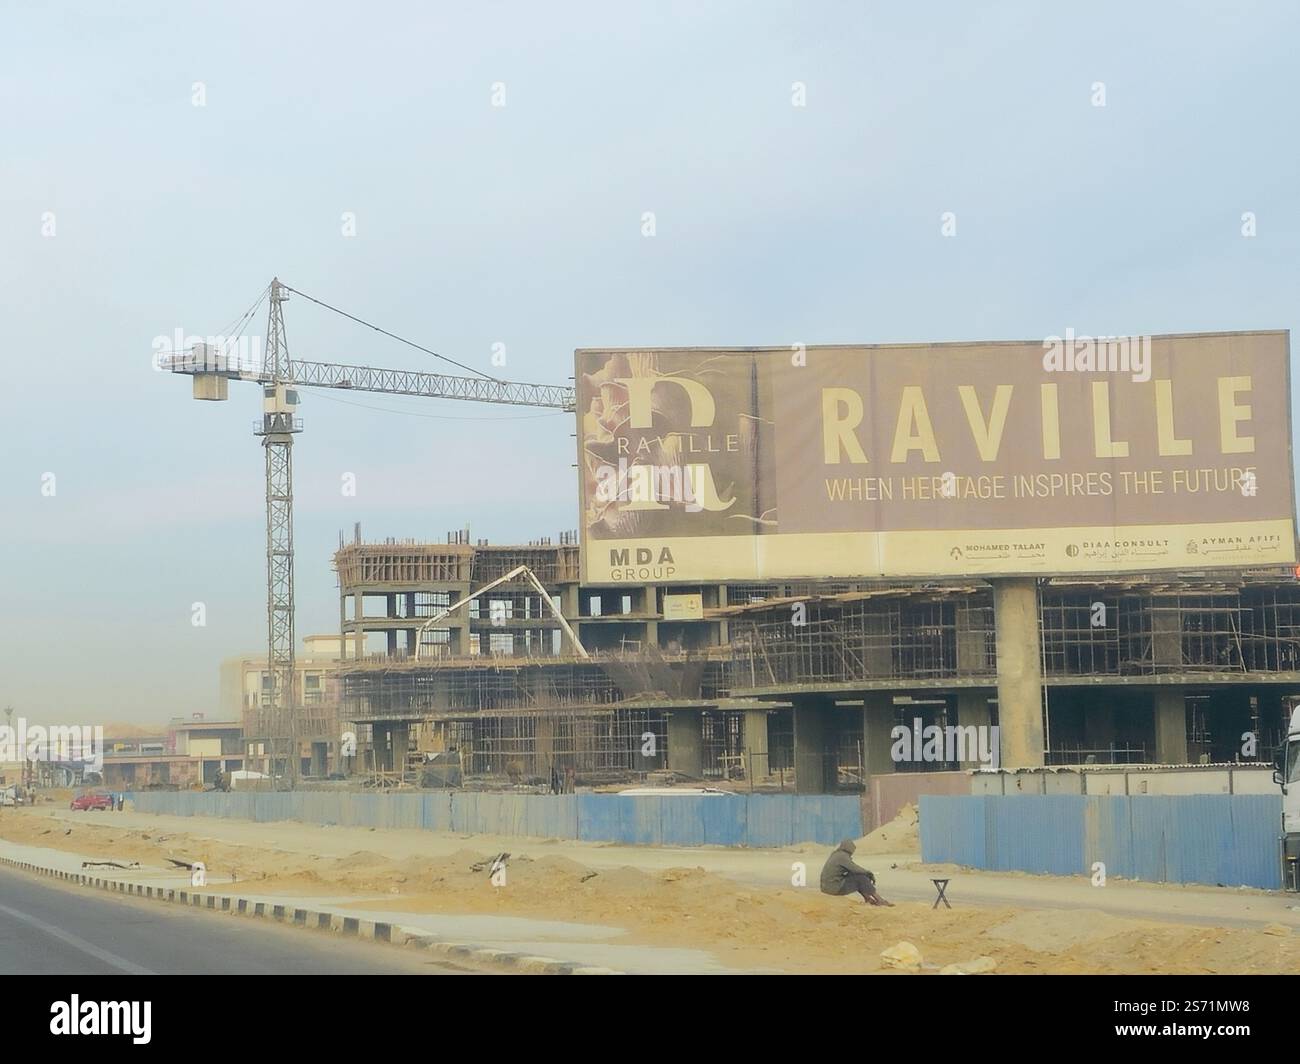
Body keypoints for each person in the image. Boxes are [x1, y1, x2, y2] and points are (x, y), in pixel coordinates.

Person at [819, 838, 893, 906]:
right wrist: (868, 873)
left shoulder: (837, 854)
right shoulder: (842, 856)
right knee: (860, 878)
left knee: (856, 876)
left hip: (826, 887)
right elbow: (855, 868)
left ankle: (868, 898)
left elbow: (852, 869)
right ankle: (879, 900)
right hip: (833, 888)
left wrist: (865, 873)